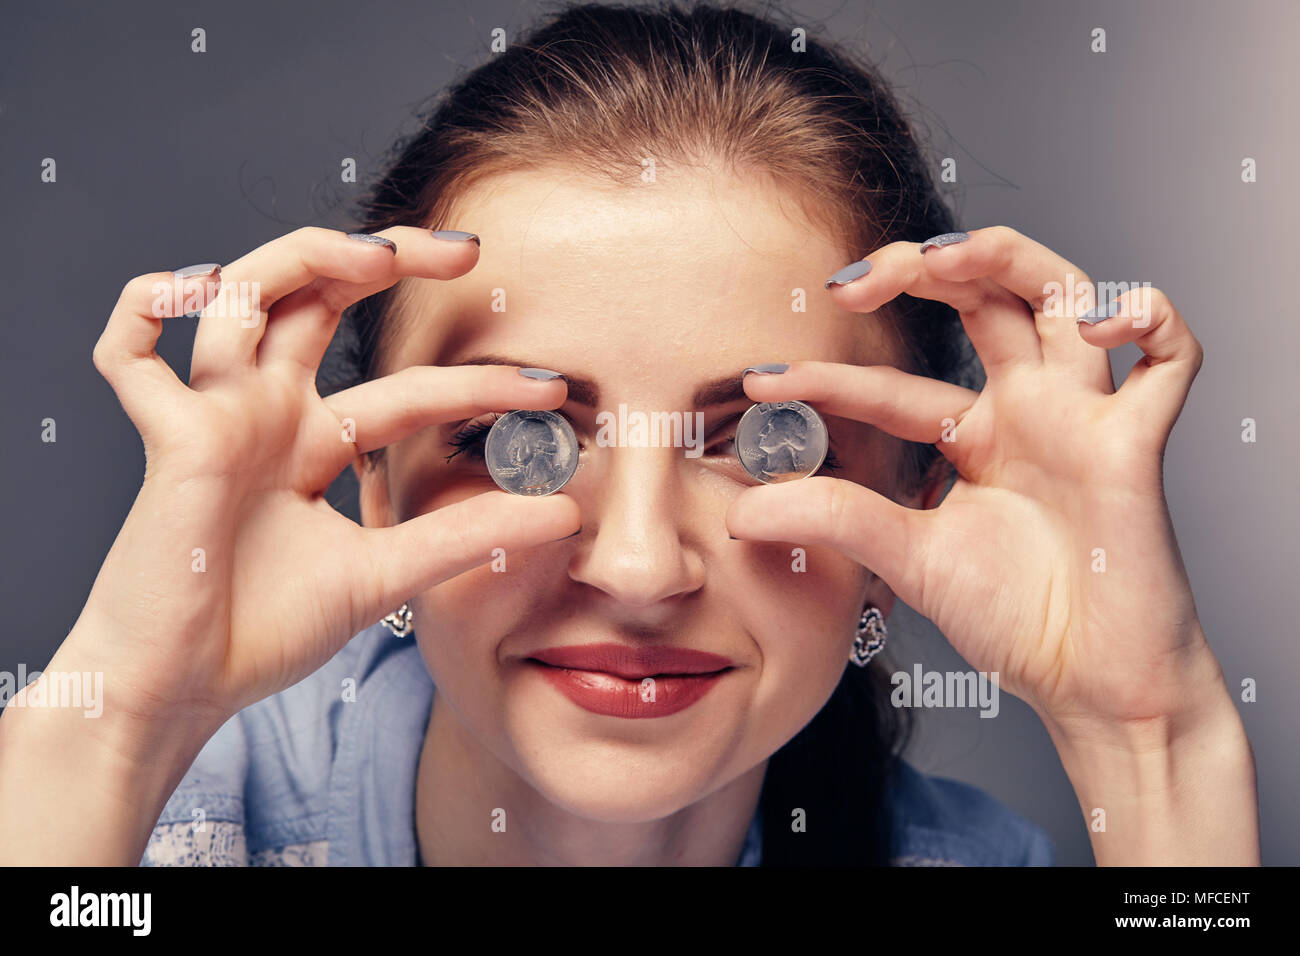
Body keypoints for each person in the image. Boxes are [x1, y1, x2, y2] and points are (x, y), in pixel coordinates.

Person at [0, 1, 1258, 866]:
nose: (639, 566)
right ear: (370, 480)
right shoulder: (165, 831)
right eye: (510, 433)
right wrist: (116, 727)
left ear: (915, 501)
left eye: (773, 440)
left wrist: (1144, 740)